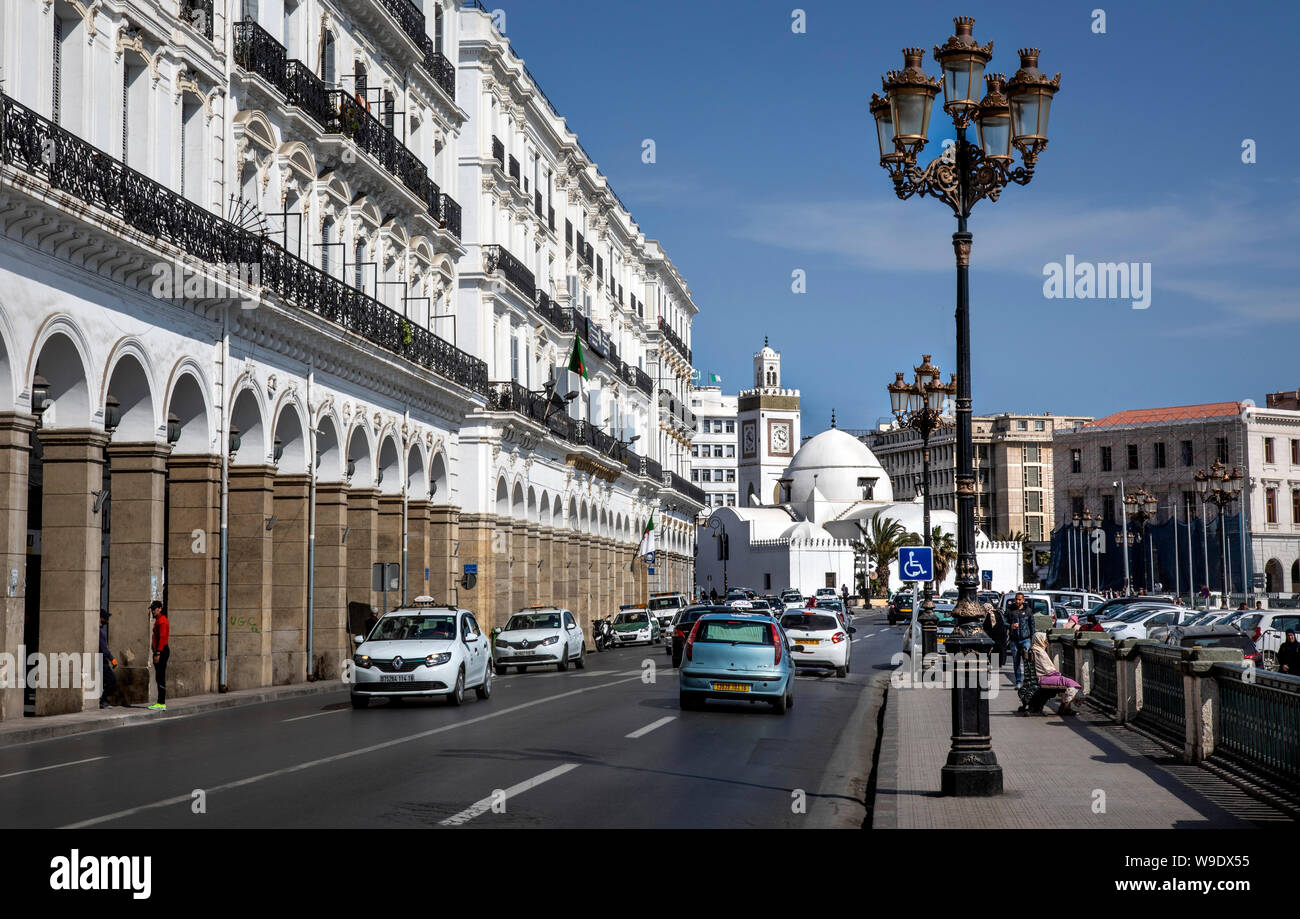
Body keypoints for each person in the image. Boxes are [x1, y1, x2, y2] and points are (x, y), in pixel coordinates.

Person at [1029, 632, 1082, 715]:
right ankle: (1064, 707)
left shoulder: (1034, 650)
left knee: (1067, 681)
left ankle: (1065, 707)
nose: (1046, 642)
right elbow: (1047, 669)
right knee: (1072, 684)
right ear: (1040, 640)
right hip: (1043, 677)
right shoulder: (1039, 652)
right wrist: (1056, 673)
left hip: (1039, 676)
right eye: (1045, 640)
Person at [1004, 593, 1034, 688]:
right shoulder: (1010, 610)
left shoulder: (1028, 611)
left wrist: (1032, 638)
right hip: (1014, 640)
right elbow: (1003, 622)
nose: (1017, 601)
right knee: (1016, 661)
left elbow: (1032, 625)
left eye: (1019, 599)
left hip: (1026, 639)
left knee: (1027, 661)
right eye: (1016, 599)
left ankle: (1028, 681)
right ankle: (1018, 681)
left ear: (1023, 600)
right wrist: (1010, 626)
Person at [149, 600, 169, 711]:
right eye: (152, 608)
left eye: (154, 608)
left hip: (162, 651)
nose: (152, 611)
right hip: (160, 650)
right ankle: (160, 702)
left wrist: (158, 653)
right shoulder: (159, 620)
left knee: (160, 676)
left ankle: (161, 702)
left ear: (160, 608)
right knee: (159, 676)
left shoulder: (162, 621)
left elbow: (162, 638)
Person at [98, 610, 117, 709]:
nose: (107, 621)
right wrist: (112, 659)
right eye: (106, 618)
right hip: (102, 661)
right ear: (101, 618)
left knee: (107, 680)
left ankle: (103, 700)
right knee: (112, 680)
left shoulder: (100, 630)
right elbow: (104, 649)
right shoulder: (100, 632)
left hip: (101, 660)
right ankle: (103, 700)